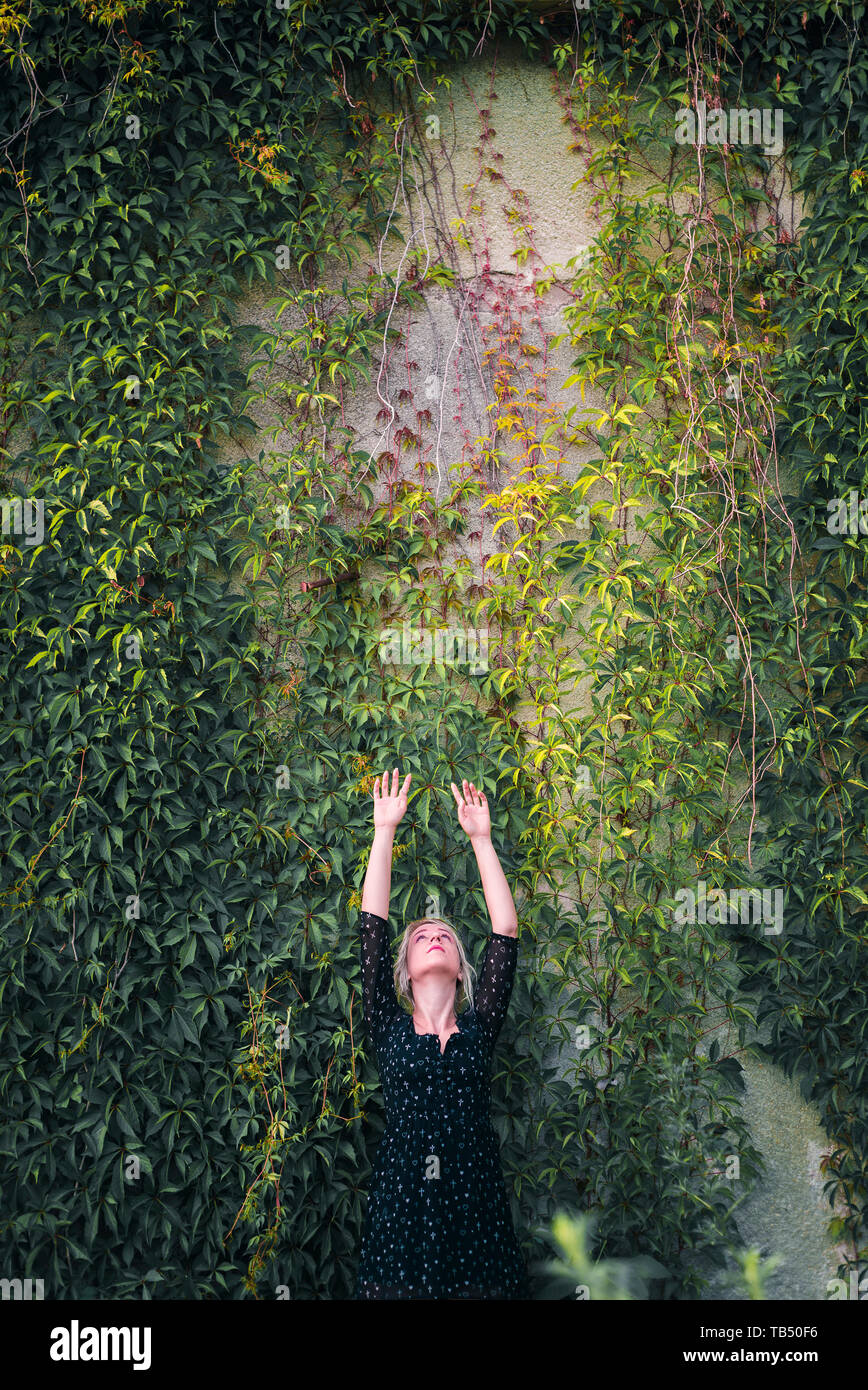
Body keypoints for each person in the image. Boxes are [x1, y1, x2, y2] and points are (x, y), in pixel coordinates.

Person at [355, 767, 530, 1299]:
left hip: (473, 1199)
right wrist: (384, 830)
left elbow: (505, 930)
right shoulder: (386, 1026)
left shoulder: (480, 1027)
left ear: (460, 968)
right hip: (403, 1201)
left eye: (445, 937)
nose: (434, 937)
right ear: (405, 968)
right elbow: (371, 925)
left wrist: (482, 839)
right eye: (422, 936)